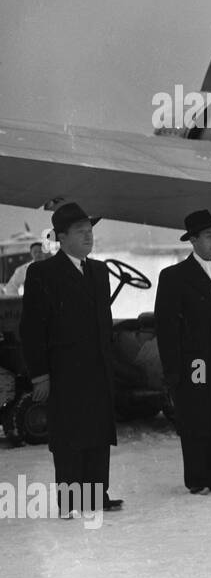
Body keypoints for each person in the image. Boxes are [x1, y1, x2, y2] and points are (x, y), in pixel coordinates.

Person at [19, 202, 121, 517]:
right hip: (64, 371)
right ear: (61, 237)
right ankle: (72, 501)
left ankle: (97, 494)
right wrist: (40, 376)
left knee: (98, 432)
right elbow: (32, 329)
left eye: (90, 231)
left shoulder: (99, 270)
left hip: (97, 368)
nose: (89, 236)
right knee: (69, 436)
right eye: (80, 231)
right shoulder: (43, 272)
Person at [154, 209, 211, 494]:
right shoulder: (174, 277)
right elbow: (167, 328)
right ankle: (197, 477)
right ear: (193, 240)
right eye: (208, 236)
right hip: (194, 361)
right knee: (196, 415)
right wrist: (172, 372)